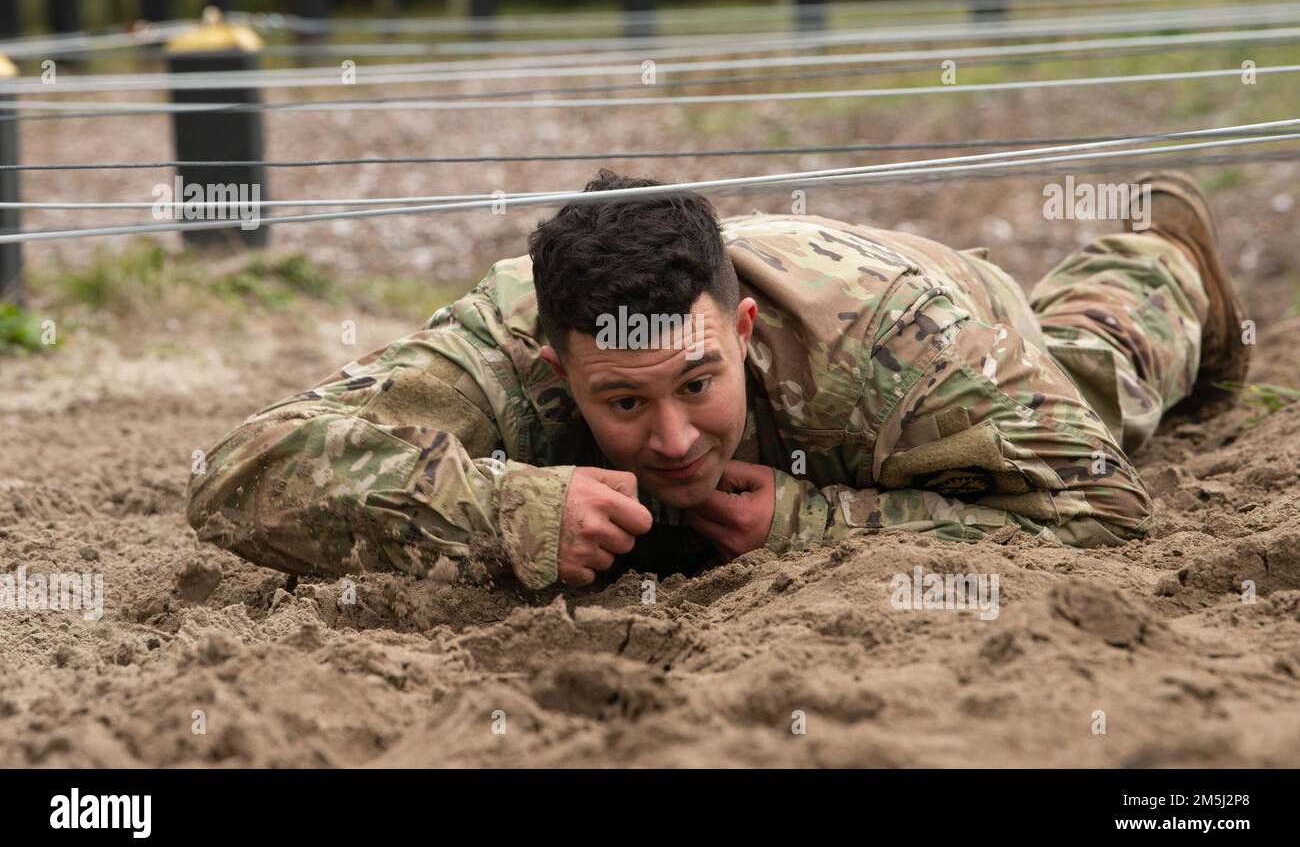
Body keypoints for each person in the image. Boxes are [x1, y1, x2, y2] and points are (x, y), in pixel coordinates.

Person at [186, 169, 1249, 589]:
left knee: (1101, 382)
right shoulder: (507, 341)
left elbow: (1106, 511)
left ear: (740, 330)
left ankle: (1155, 257)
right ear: (555, 367)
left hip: (936, 301)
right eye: (622, 403)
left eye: (698, 385)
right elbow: (242, 469)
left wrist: (820, 525)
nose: (675, 441)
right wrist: (501, 507)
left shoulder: (905, 350)